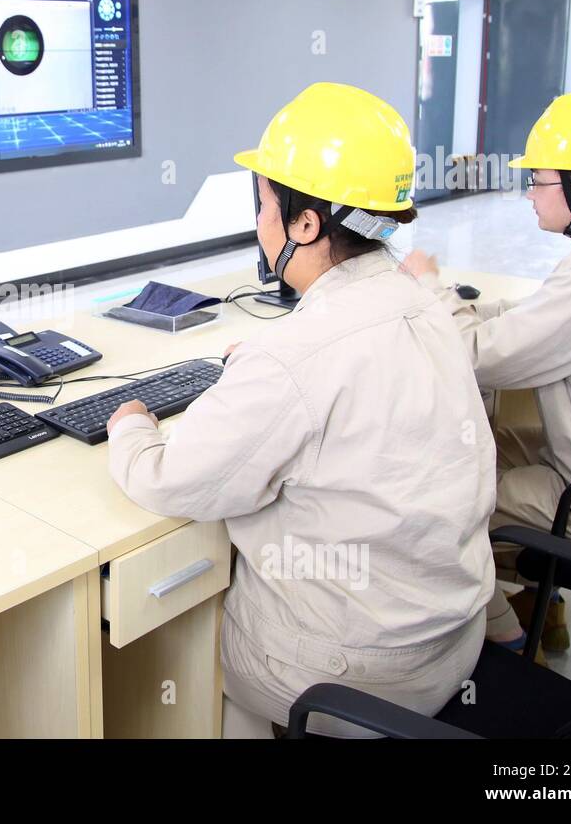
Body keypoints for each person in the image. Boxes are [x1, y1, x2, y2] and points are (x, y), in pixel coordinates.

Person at [106, 82, 496, 737]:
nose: (259, 222)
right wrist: (264, 365)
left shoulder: (296, 356)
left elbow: (169, 480)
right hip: (450, 648)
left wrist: (131, 426)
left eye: (263, 204)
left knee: (190, 645)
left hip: (352, 678)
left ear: (306, 222)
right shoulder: (427, 306)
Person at [404, 93, 571, 652]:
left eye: (539, 181)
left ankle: (506, 641)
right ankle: (543, 604)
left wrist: (427, 285)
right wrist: (473, 307)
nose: (528, 192)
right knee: (483, 441)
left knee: (443, 500)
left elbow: (475, 357)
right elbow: (549, 322)